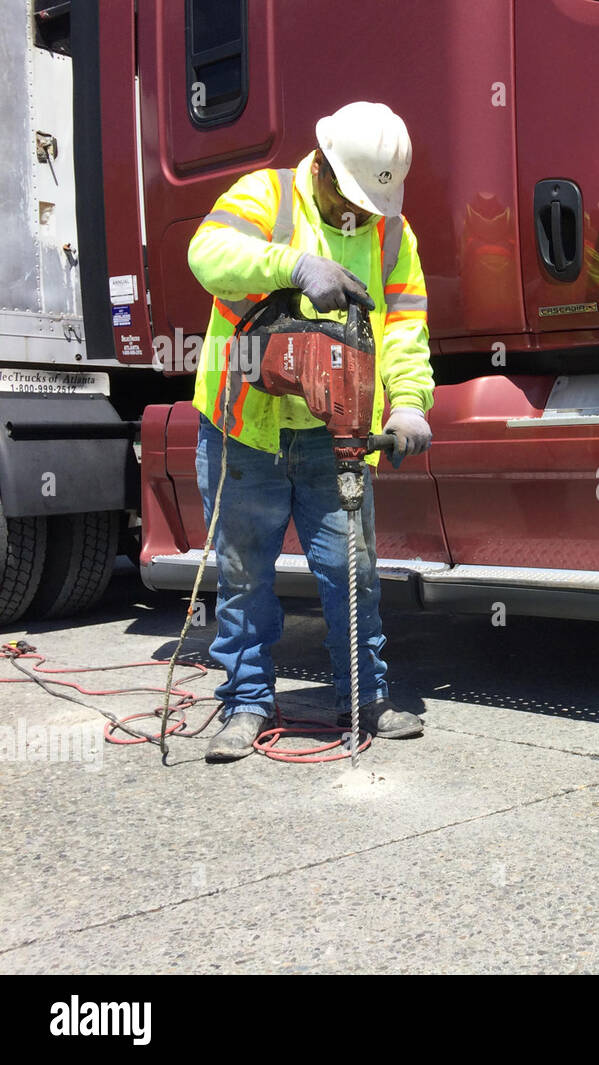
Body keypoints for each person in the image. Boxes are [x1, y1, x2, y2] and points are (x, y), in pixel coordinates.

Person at [187, 101, 434, 762]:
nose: (358, 215)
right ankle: (245, 704)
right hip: (246, 431)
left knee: (349, 570)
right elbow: (206, 254)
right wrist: (292, 266)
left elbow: (406, 326)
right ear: (320, 166)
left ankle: (364, 698)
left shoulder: (390, 233)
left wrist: (407, 403)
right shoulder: (265, 196)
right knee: (243, 579)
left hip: (336, 437)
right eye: (348, 198)